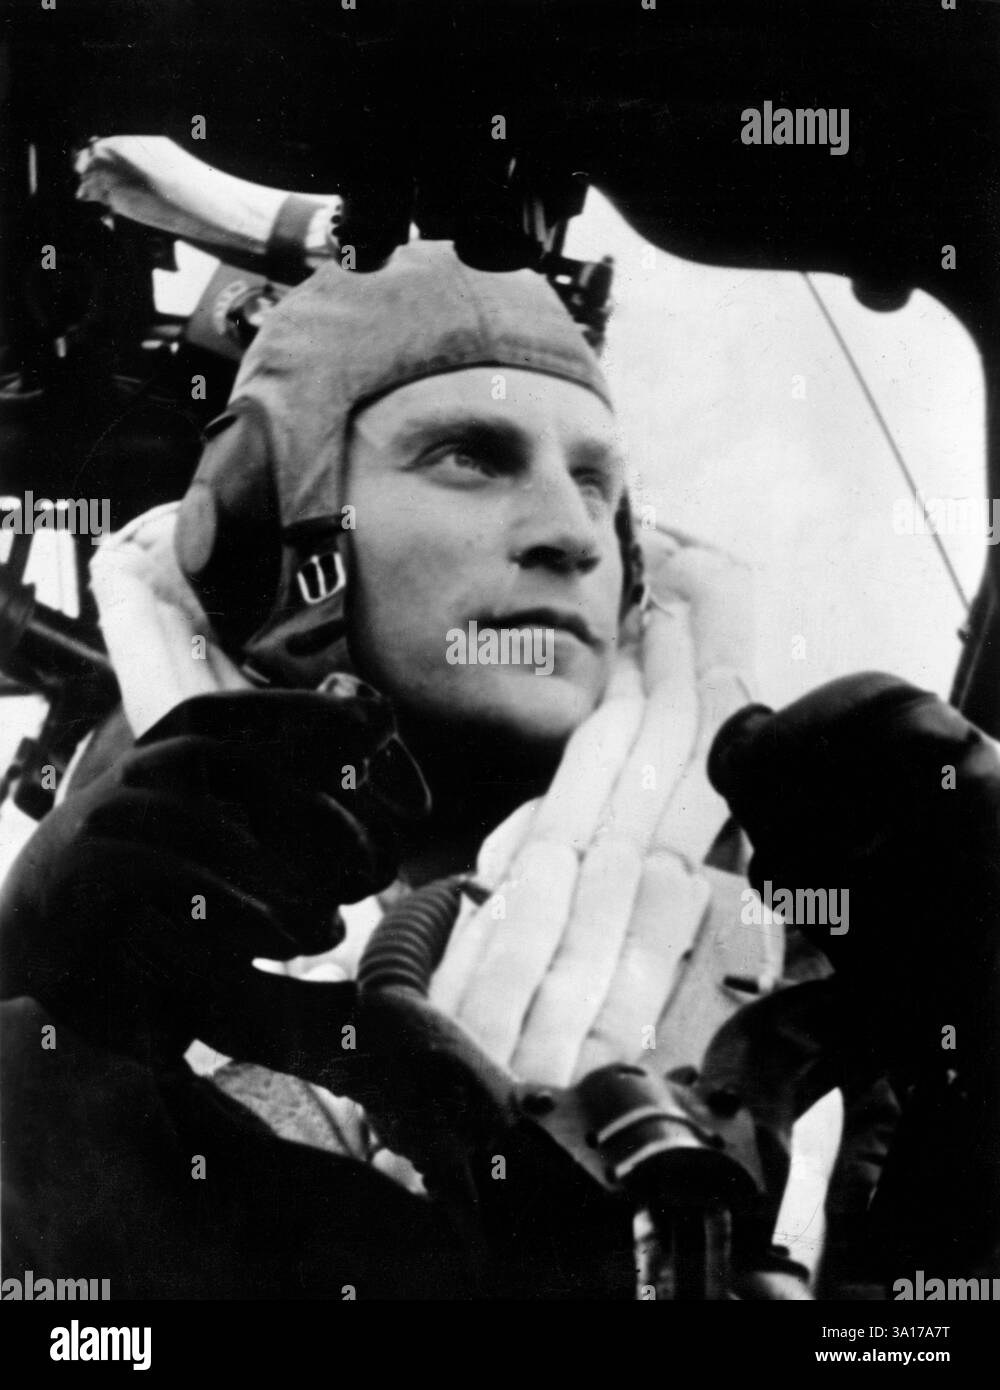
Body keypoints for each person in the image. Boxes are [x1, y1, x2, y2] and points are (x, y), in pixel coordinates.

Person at [0, 240, 879, 1300]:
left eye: (597, 482)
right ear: (261, 530)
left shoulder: (819, 981)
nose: (573, 535)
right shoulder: (87, 968)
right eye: (470, 455)